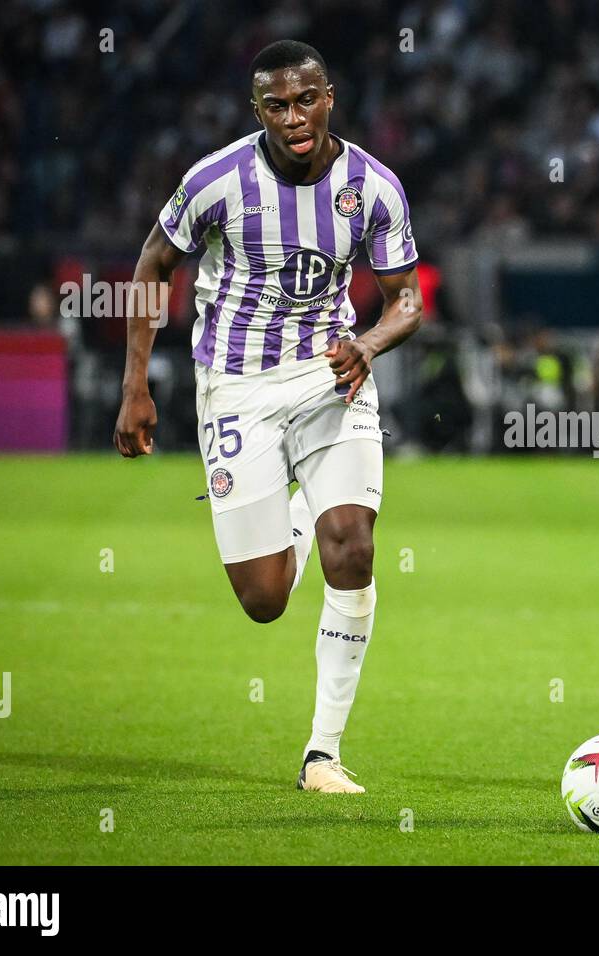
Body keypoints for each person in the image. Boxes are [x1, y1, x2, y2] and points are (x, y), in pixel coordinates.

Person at [112, 41, 423, 795]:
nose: (294, 118)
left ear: (330, 97)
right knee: (264, 601)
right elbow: (155, 261)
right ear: (258, 112)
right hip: (236, 389)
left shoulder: (374, 189)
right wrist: (136, 385)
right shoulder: (216, 179)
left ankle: (323, 754)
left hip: (330, 378)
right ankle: (291, 516)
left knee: (352, 546)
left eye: (307, 99)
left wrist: (369, 343)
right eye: (276, 106)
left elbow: (405, 298)